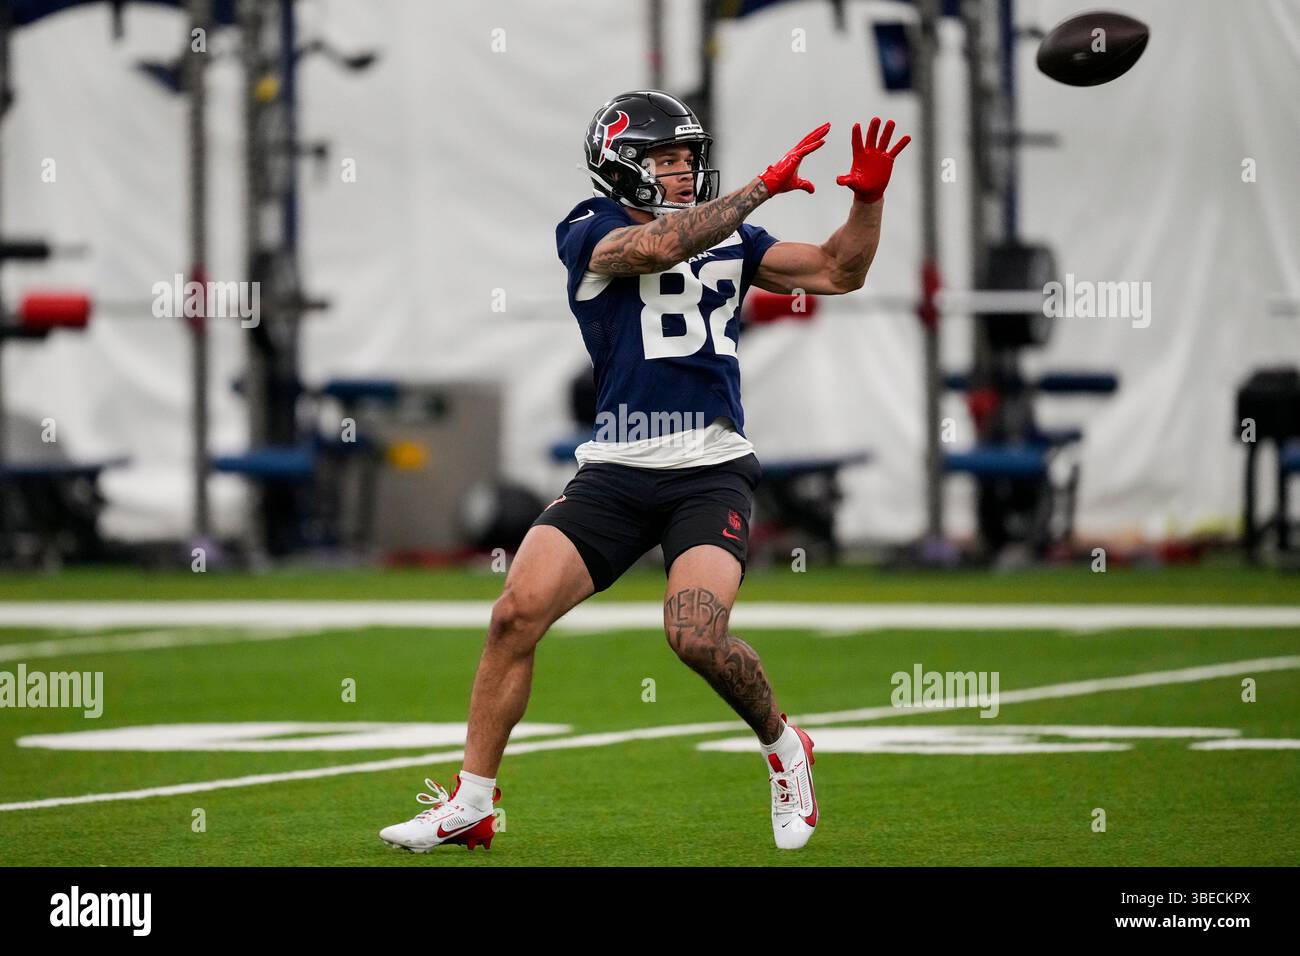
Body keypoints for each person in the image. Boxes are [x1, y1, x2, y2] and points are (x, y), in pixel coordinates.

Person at [380, 90, 910, 853]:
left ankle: (785, 746)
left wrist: (868, 201)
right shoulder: (586, 228)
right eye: (666, 161)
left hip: (709, 469)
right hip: (616, 469)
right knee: (513, 616)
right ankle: (472, 803)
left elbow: (837, 270)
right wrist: (761, 184)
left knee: (695, 635)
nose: (683, 173)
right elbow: (656, 250)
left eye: (689, 160)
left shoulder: (734, 237)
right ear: (621, 166)